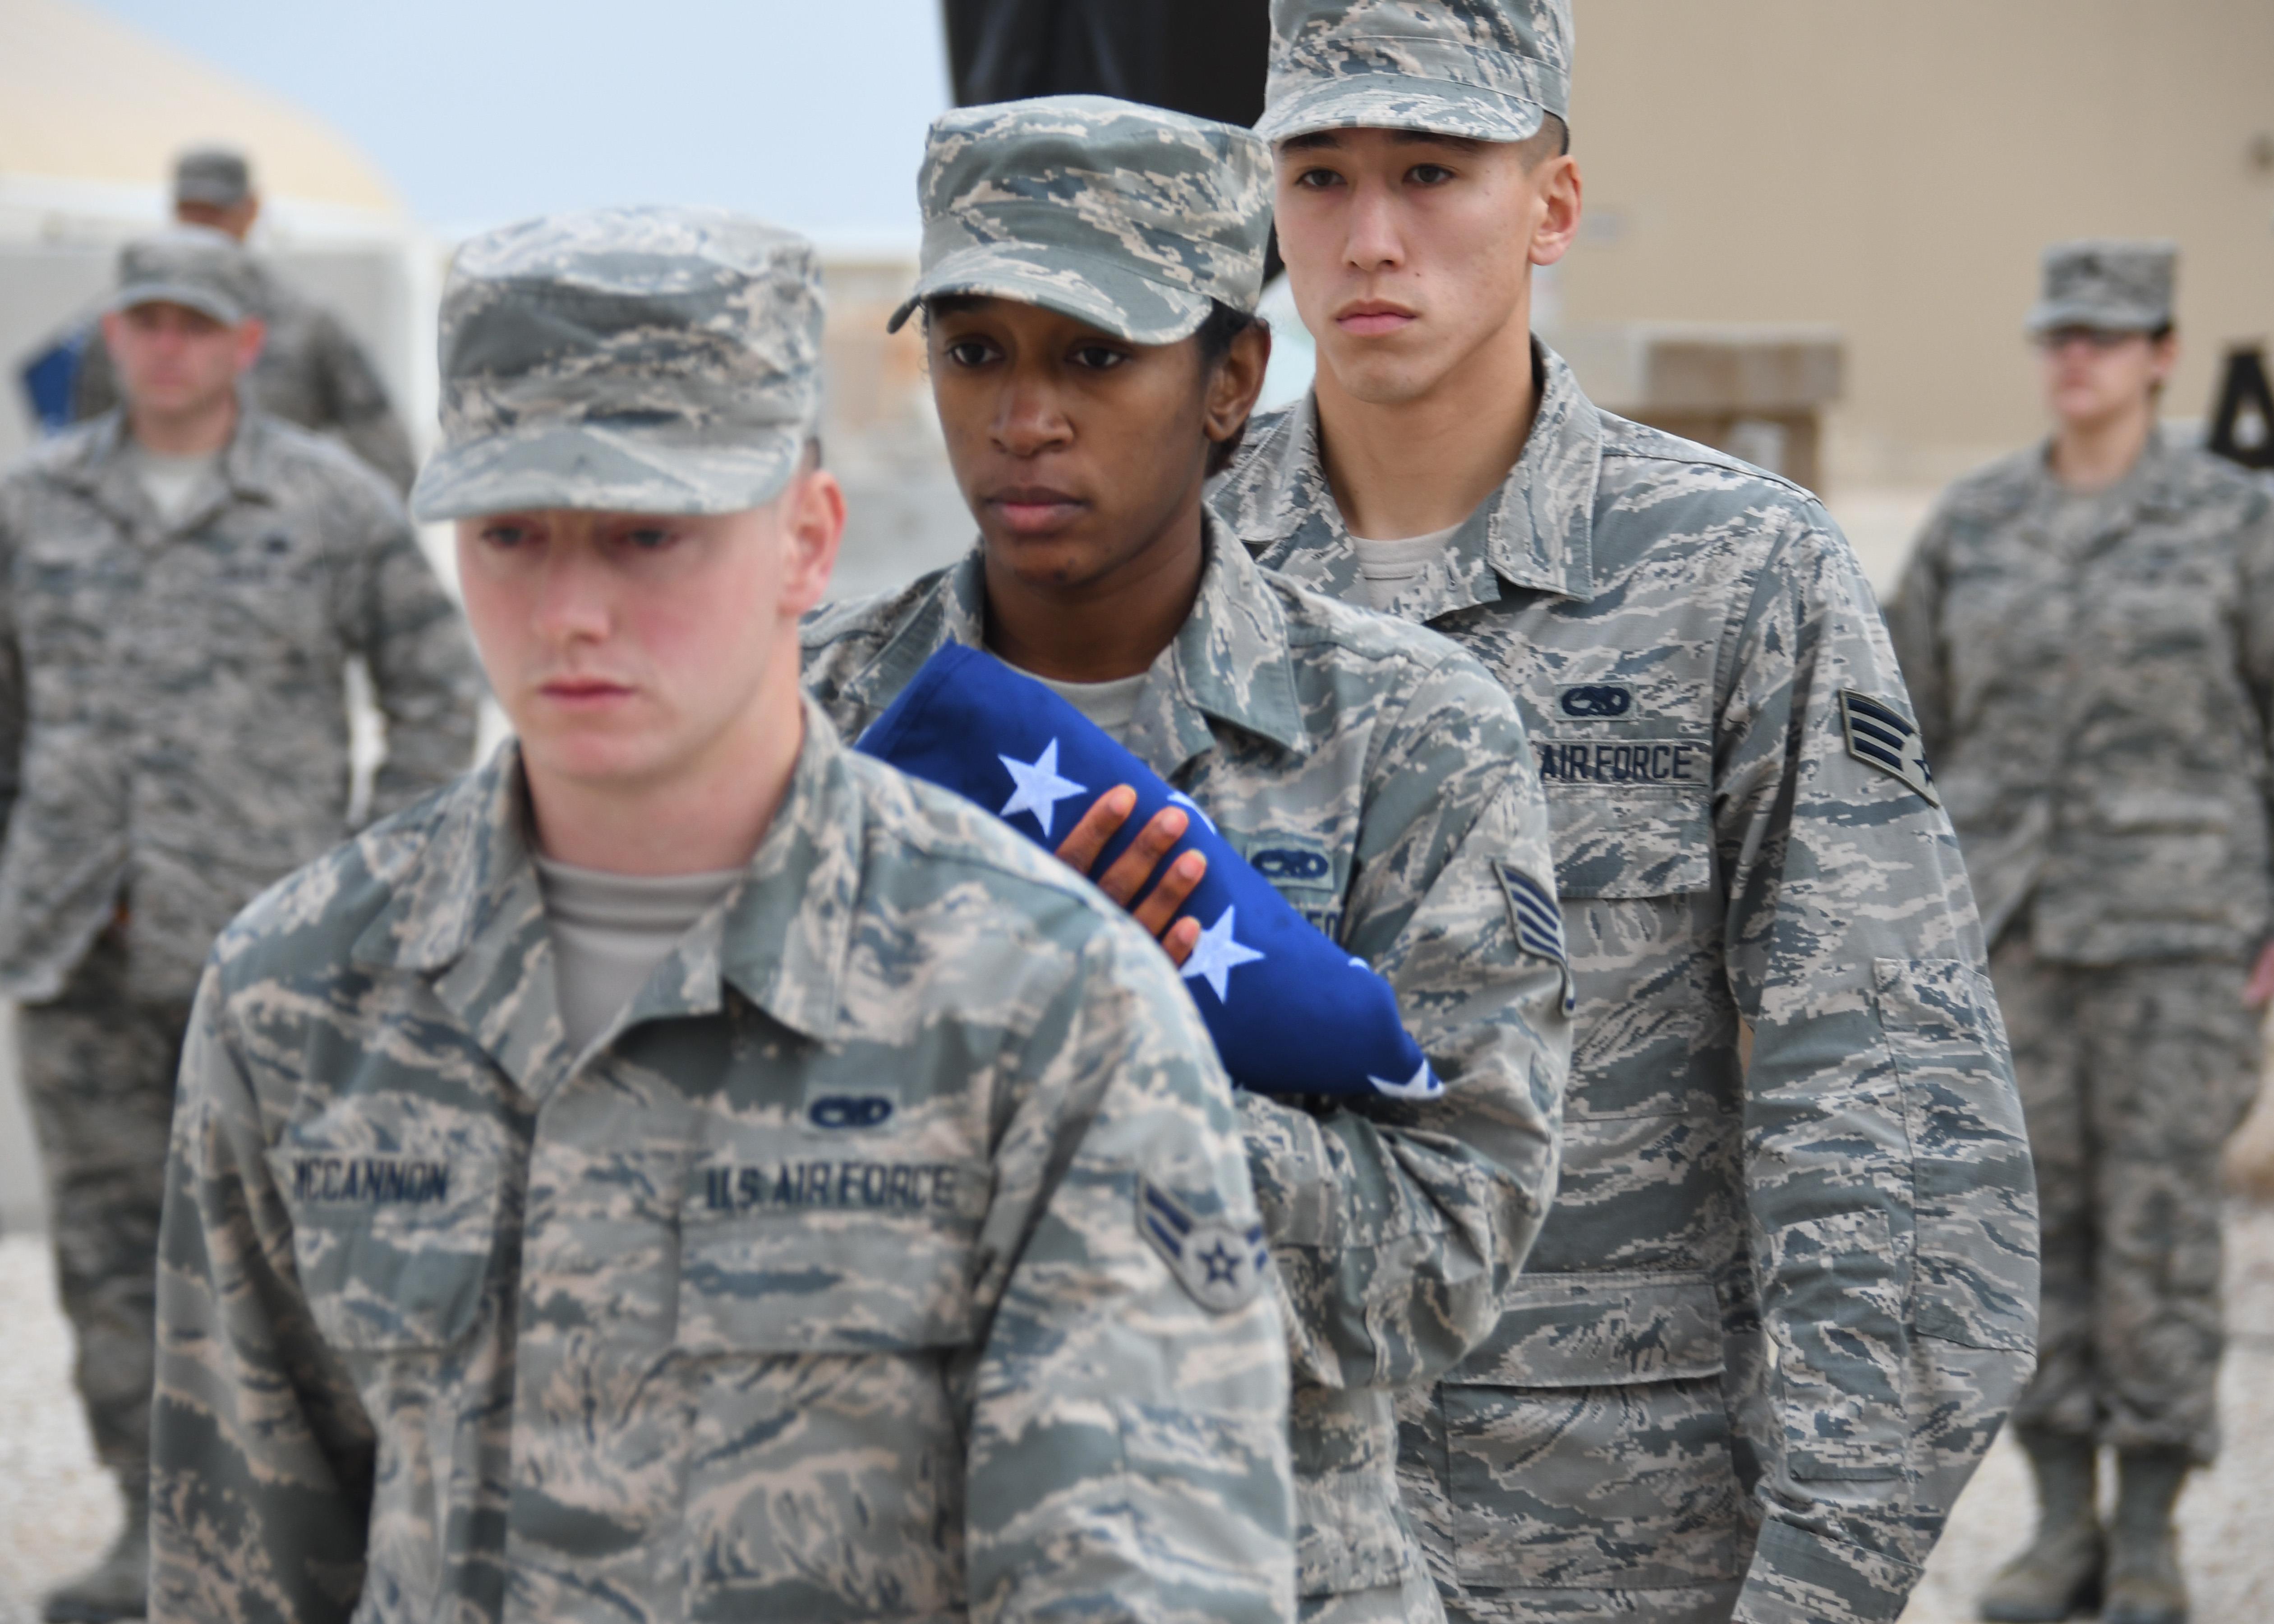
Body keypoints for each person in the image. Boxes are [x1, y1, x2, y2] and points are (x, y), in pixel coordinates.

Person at [148, 205, 1298, 1624]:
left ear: (806, 544)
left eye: (648, 533)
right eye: (511, 533)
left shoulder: (1040, 1001)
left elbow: (1141, 1581)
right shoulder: (303, 991)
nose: (571, 610)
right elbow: (242, 1556)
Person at [1209, 4, 2040, 1621]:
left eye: (1434, 170)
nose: (1370, 236)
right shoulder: (1156, 581)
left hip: (1619, 1537)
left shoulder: (1736, 575)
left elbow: (1886, 1104)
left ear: (1552, 205)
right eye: (1319, 176)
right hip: (1237, 1530)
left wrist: (1820, 1577)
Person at [803, 97, 1572, 1624]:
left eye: (1094, 354)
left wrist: (1087, 1087)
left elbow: (1450, 1246)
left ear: (1232, 381)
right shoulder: (813, 719)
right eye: (976, 351)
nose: (1025, 416)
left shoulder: (1408, 735)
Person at [0, 225, 479, 1624]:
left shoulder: (329, 502)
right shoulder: (31, 507)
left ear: (245, 343)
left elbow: (434, 688)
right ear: (115, 337)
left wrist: (366, 877)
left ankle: (316, 1539)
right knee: (103, 1257)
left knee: (299, 1263)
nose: (165, 346)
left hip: (272, 962)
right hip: (78, 945)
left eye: (193, 324)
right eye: (143, 322)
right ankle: (151, 1538)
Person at [1887, 241, 2274, 1624]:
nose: (2079, 359)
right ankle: (2058, 1522)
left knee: (2163, 1229)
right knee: (2030, 1230)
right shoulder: (1977, 523)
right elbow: (1903, 731)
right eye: (2061, 334)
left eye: (2108, 339)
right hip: (2014, 938)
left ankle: (2156, 1529)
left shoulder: (2239, 523)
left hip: (2183, 931)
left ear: (2162, 355)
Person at [72, 146, 420, 494]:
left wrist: (345, 531)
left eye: (216, 214)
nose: (204, 229)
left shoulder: (306, 322)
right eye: (191, 213)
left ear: (250, 211)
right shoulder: (128, 322)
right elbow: (85, 438)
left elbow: (383, 445)